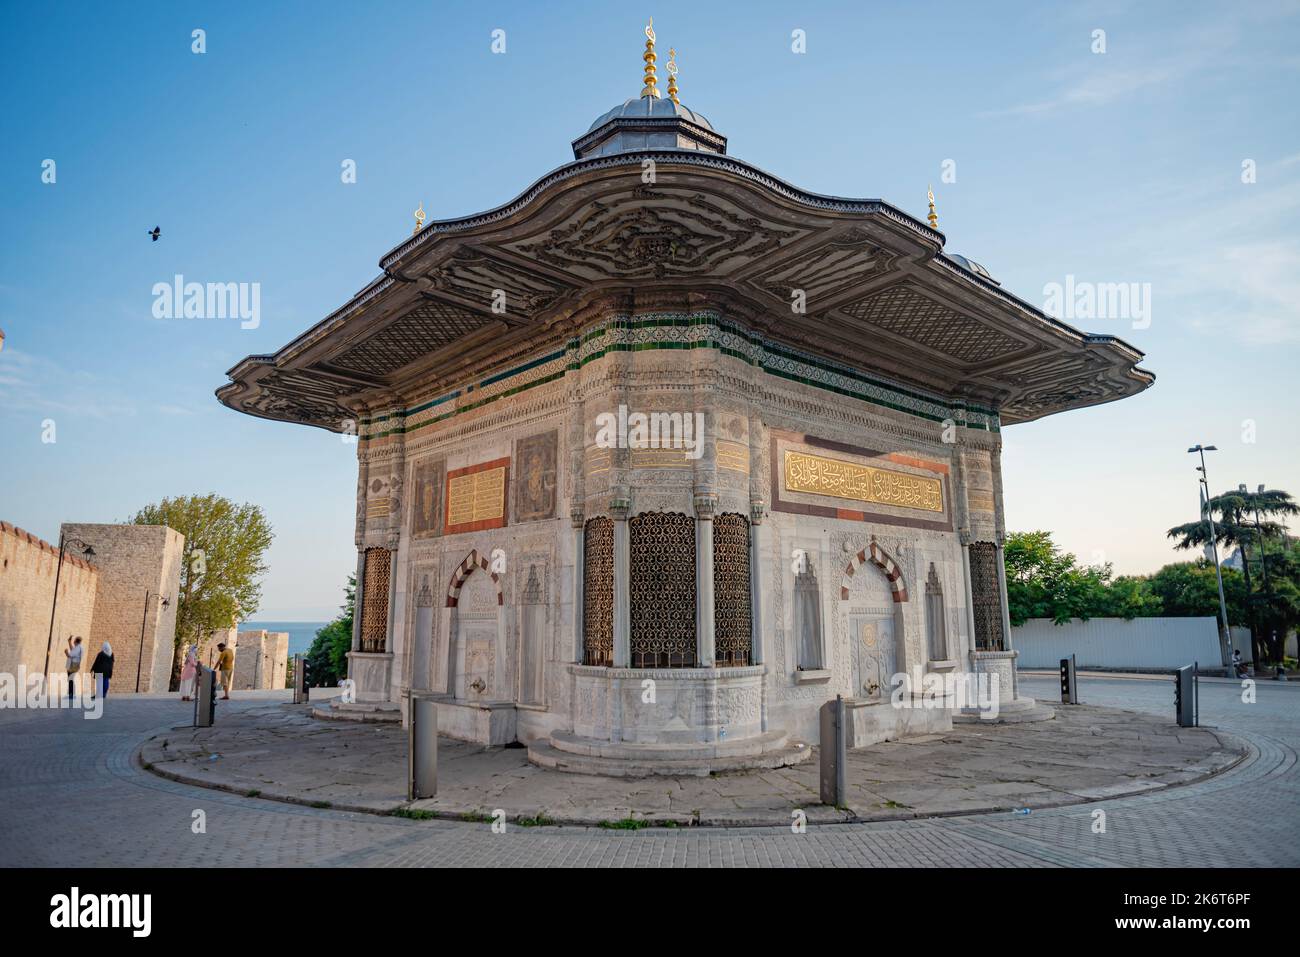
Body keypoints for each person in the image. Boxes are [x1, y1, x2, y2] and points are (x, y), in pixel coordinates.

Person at [64, 636, 83, 700]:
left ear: (76, 641)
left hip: (73, 665)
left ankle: (71, 694)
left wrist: (66, 652)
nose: (73, 642)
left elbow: (70, 655)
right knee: (71, 679)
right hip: (75, 665)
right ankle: (71, 694)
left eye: (74, 641)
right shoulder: (79, 647)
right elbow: (73, 650)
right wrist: (69, 642)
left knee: (70, 679)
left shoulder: (78, 648)